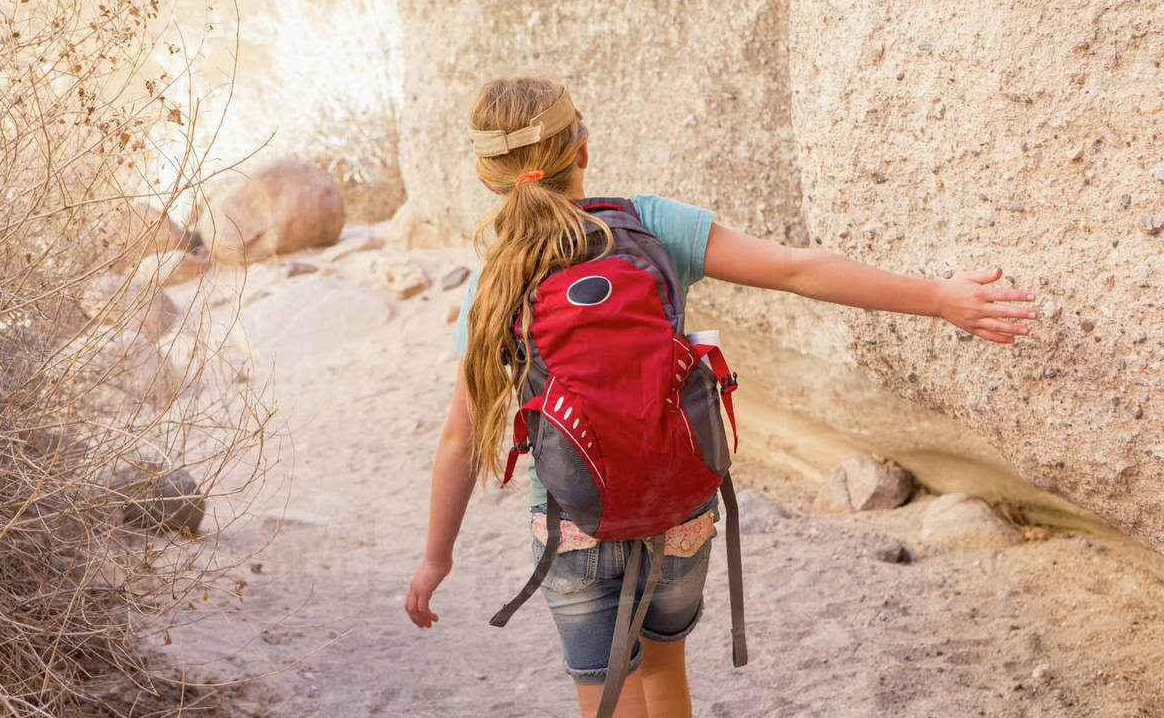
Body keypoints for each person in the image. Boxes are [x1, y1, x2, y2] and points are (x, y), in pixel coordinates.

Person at [404, 76, 1037, 718]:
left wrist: (437, 556)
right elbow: (797, 269)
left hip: (573, 524)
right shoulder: (648, 222)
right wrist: (940, 299)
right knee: (665, 675)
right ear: (584, 150)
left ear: (487, 179)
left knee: (608, 701)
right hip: (678, 506)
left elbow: (461, 437)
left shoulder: (496, 279)